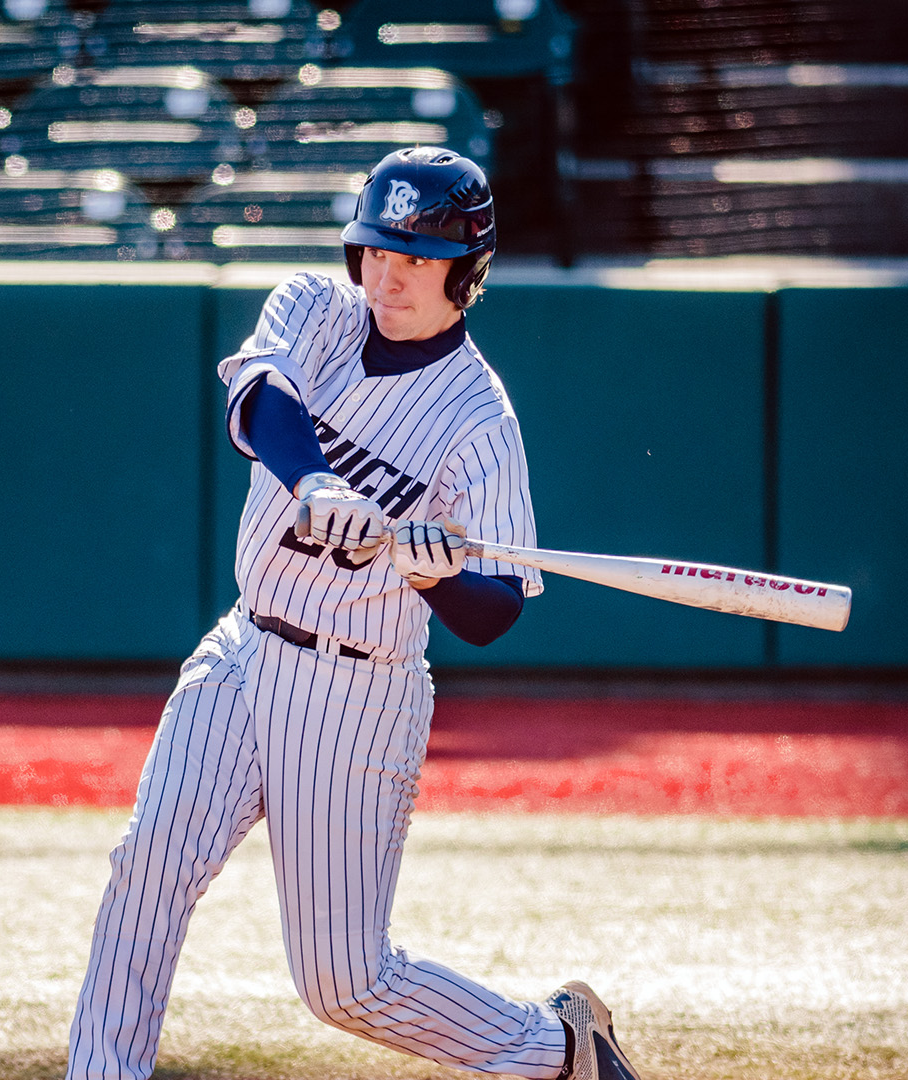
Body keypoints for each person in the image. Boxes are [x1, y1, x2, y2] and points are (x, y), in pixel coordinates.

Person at [64, 147, 646, 1080]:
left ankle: (556, 1049)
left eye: (414, 259)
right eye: (377, 251)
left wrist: (431, 572)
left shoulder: (480, 420)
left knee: (344, 982)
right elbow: (259, 402)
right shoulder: (315, 308)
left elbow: (494, 611)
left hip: (357, 690)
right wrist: (319, 480)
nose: (387, 275)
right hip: (244, 648)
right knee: (148, 869)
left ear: (467, 270)